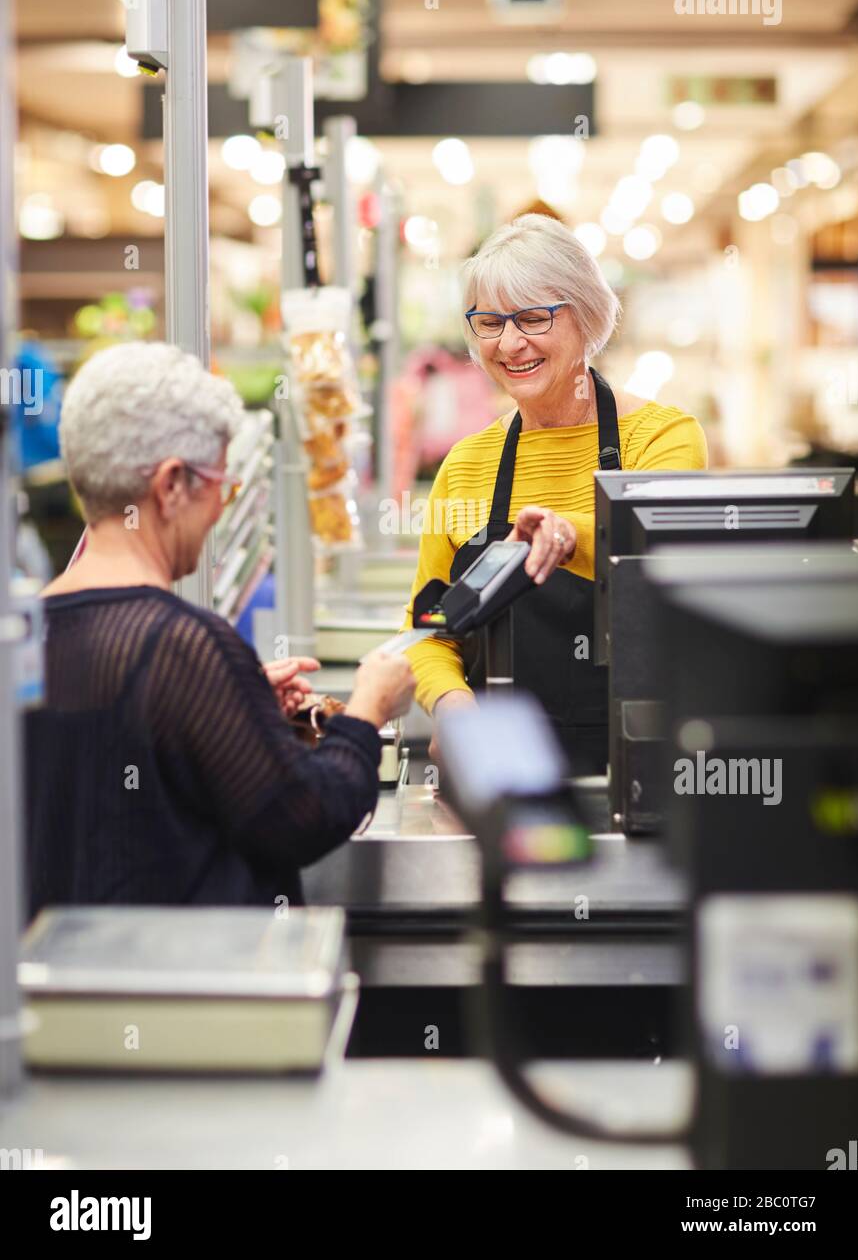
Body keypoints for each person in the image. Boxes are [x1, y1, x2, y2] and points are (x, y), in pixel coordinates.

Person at [26, 341, 415, 917]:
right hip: (181, 988)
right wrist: (368, 711)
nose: (217, 511)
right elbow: (303, 817)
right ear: (171, 485)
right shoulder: (182, 645)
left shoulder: (27, 635)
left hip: (64, 991)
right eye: (220, 487)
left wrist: (234, 704)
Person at [403, 213, 707, 773]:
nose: (510, 343)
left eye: (533, 318)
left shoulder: (661, 437)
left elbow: (666, 559)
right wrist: (452, 706)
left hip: (634, 765)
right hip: (501, 770)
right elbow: (429, 628)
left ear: (587, 316)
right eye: (489, 322)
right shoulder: (467, 464)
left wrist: (570, 537)